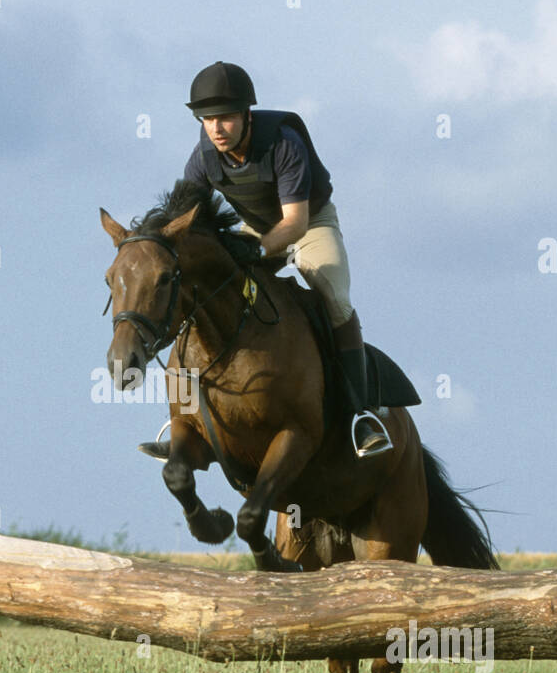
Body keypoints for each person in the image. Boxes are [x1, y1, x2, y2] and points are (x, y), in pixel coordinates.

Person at [141, 60, 391, 461]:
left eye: (224, 118)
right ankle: (183, 422)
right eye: (207, 119)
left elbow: (294, 223)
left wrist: (255, 252)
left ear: (246, 115)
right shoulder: (204, 154)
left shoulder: (283, 142)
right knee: (197, 292)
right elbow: (184, 217)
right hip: (256, 225)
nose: (216, 129)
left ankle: (360, 415)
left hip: (309, 223)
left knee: (334, 296)